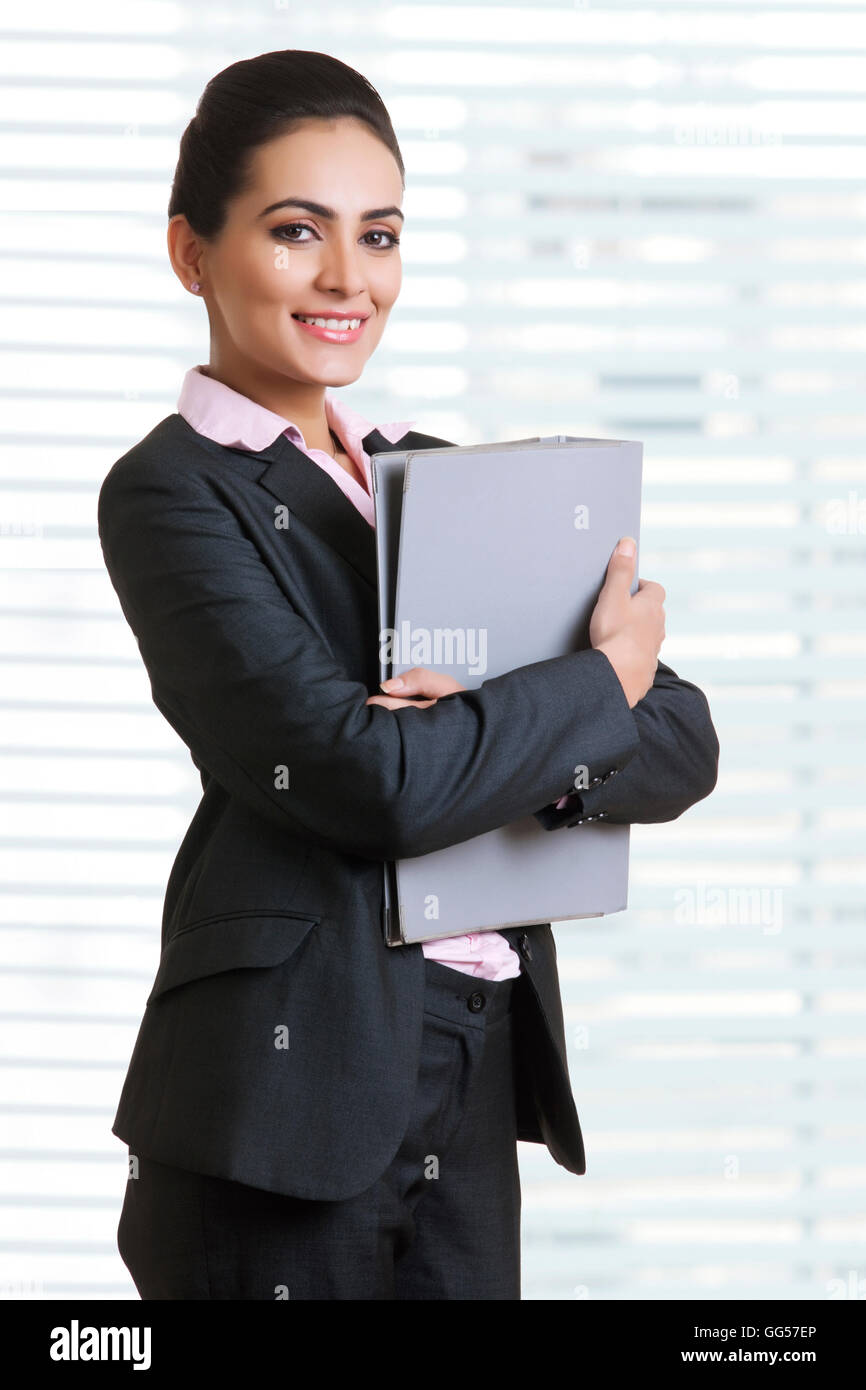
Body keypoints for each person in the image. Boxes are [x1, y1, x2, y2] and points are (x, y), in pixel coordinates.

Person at [100, 49, 720, 1301]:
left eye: (377, 235)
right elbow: (363, 778)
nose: (347, 278)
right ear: (191, 253)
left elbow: (683, 740)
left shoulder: (443, 484)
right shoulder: (173, 491)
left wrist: (507, 729)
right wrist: (570, 698)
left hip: (471, 1058)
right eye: (294, 231)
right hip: (281, 1095)